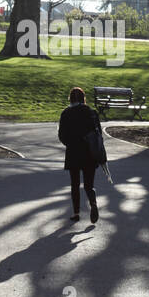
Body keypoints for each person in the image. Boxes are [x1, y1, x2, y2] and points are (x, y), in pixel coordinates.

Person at [58, 86, 102, 223]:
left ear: (70, 99)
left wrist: (69, 143)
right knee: (89, 184)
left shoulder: (66, 113)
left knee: (75, 185)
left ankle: (76, 213)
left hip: (73, 152)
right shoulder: (91, 112)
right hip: (89, 152)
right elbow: (98, 132)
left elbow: (62, 135)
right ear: (84, 98)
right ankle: (93, 204)